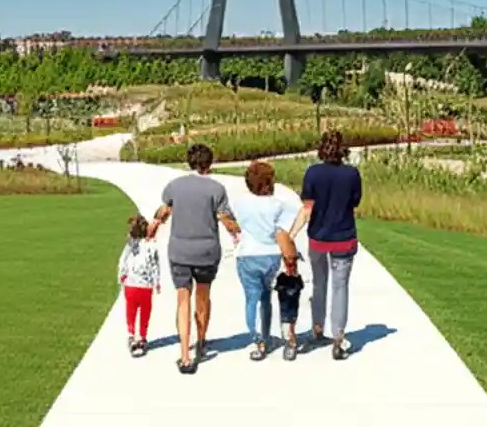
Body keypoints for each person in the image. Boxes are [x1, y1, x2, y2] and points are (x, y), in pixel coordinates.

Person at [150, 143, 240, 374]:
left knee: (182, 300)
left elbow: (163, 212)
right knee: (203, 296)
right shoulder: (216, 189)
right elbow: (225, 219)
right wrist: (237, 231)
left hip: (179, 250)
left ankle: (184, 355)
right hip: (207, 251)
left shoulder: (173, 187)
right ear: (210, 163)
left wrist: (154, 226)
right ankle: (201, 340)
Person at [289, 129, 361, 361]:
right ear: (343, 150)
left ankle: (318, 329)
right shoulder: (352, 174)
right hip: (344, 237)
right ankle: (338, 339)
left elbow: (307, 209)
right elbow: (355, 202)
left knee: (320, 284)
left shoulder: (313, 173)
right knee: (340, 288)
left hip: (318, 238)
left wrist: (291, 235)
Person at [229, 161, 300, 361]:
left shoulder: (240, 203)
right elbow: (283, 233)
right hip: (271, 255)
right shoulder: (279, 206)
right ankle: (267, 334)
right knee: (266, 297)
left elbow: (229, 219)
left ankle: (258, 340)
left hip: (247, 254)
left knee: (252, 298)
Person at [117, 213, 161, 358]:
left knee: (131, 310)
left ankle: (131, 334)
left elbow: (122, 262)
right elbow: (155, 265)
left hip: (130, 285)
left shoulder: (130, 245)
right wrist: (157, 282)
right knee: (145, 311)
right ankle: (142, 337)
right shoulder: (151, 246)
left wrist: (121, 276)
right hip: (146, 286)